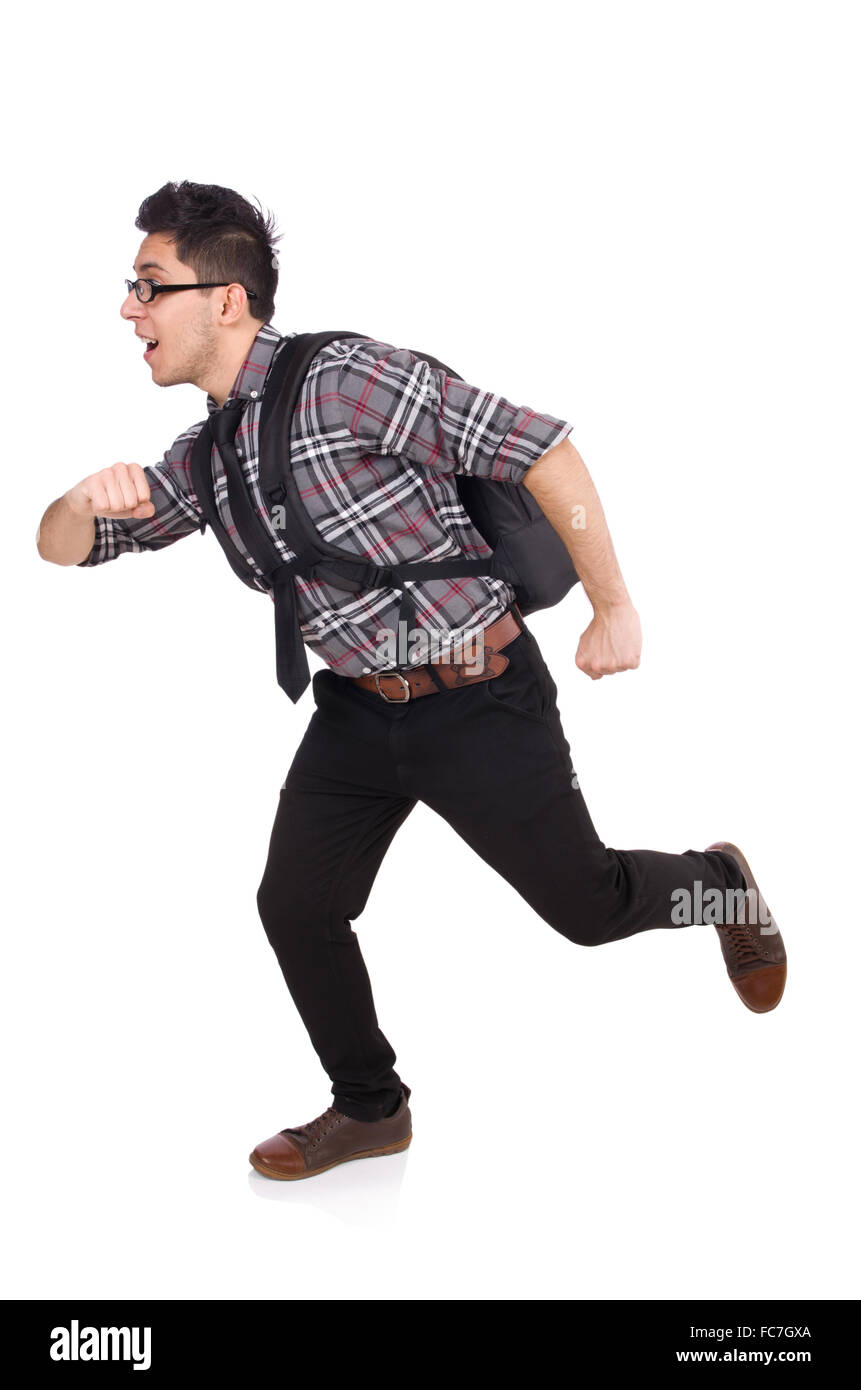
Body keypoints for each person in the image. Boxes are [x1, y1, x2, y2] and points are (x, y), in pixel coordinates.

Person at [36, 180, 787, 1183]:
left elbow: (541, 446)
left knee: (590, 907)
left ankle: (720, 889)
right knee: (295, 904)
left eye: (148, 284)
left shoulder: (344, 378)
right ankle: (370, 1110)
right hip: (353, 713)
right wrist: (78, 500)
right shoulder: (207, 455)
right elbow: (62, 548)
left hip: (478, 695)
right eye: (129, 286)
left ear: (225, 299)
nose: (128, 308)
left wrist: (615, 606)